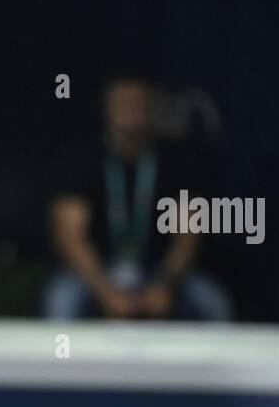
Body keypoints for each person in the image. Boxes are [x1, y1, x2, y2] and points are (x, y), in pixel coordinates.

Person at [44, 75, 233, 321]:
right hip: (98, 271)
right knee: (62, 301)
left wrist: (165, 284)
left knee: (212, 302)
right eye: (123, 104)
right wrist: (106, 291)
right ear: (107, 109)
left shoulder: (178, 162)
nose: (131, 113)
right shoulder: (82, 161)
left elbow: (188, 235)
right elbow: (71, 238)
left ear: (152, 109)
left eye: (138, 104)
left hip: (159, 269)